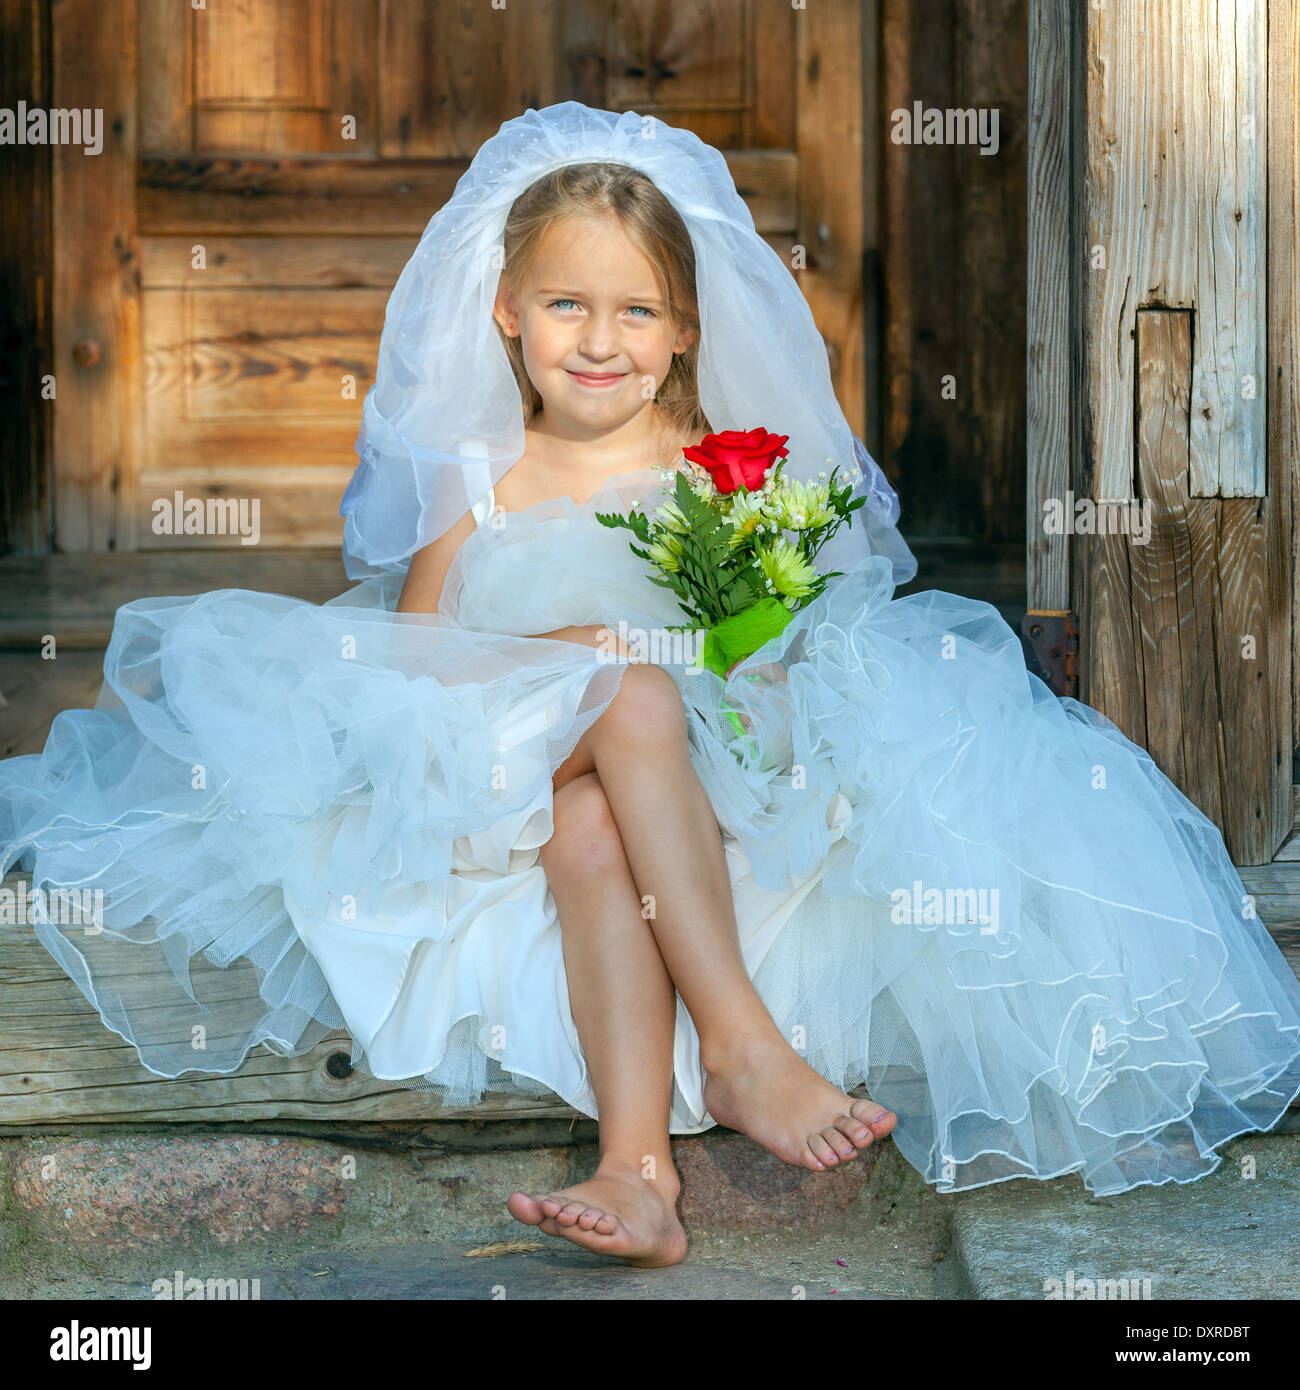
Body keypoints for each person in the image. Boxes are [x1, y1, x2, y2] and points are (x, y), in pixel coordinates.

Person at [3, 104, 1299, 1271]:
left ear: (685, 328)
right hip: (487, 754)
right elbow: (406, 665)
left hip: (683, 773)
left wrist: (719, 639)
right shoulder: (481, 473)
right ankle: (739, 1047)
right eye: (566, 305)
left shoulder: (719, 472)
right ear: (506, 308)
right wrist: (568, 650)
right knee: (617, 693)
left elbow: (770, 645)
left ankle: (636, 1168)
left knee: (596, 815)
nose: (600, 340)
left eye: (635, 312)